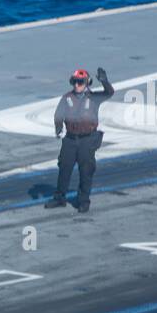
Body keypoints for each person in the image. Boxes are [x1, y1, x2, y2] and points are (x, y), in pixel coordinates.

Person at [46, 67, 114, 214]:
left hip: (87, 140)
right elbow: (58, 114)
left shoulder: (94, 98)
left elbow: (109, 93)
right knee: (64, 168)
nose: (77, 85)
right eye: (75, 82)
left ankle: (83, 200)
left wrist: (104, 81)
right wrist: (58, 128)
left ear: (87, 83)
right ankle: (59, 198)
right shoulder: (67, 98)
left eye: (80, 82)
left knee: (86, 171)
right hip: (70, 139)